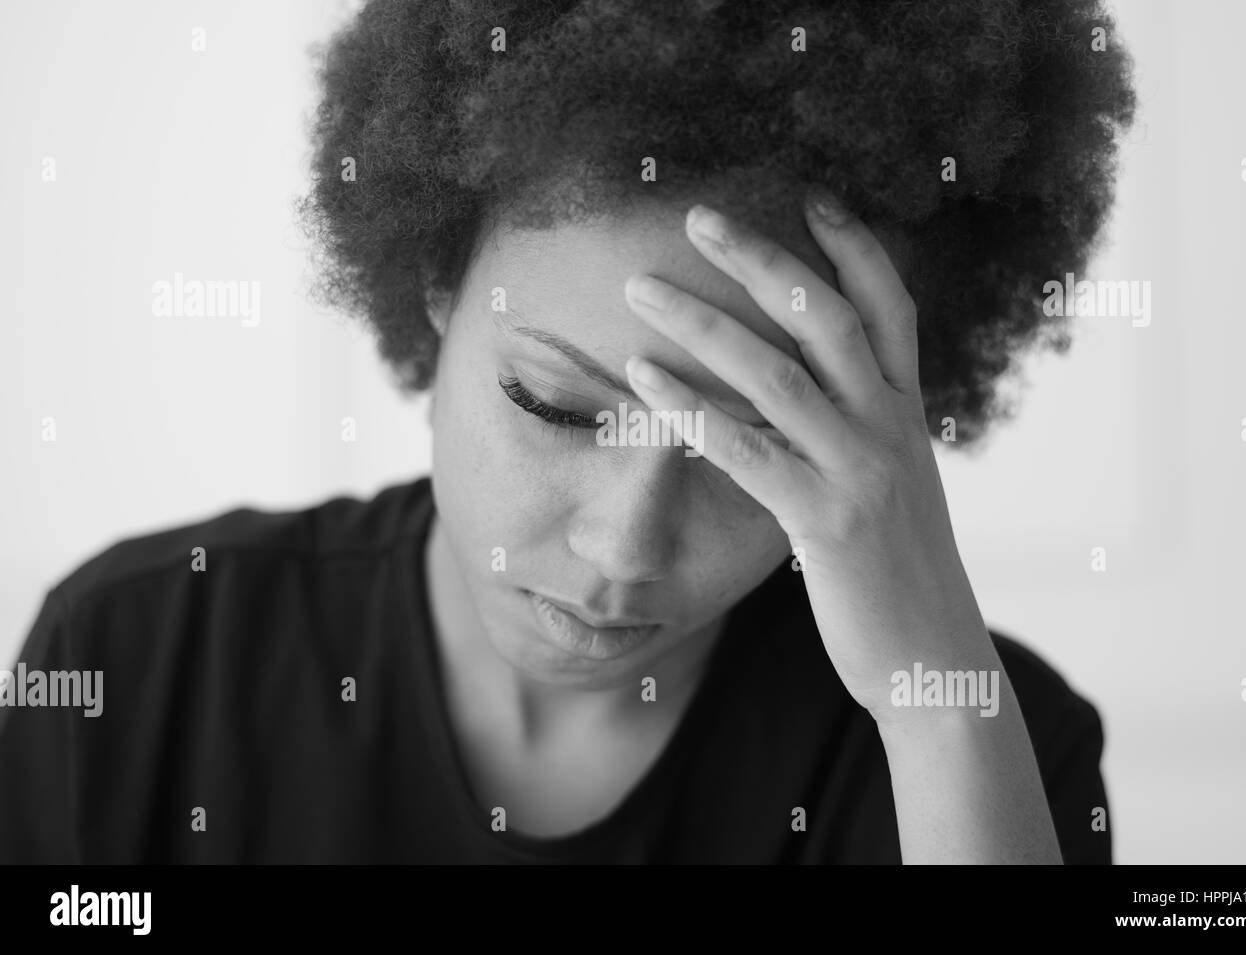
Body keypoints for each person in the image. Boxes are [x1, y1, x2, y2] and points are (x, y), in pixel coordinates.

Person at [0, 0, 1136, 863]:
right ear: (439, 290)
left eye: (756, 446)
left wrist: (934, 712)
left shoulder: (994, 749)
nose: (624, 548)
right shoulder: (135, 659)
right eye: (553, 403)